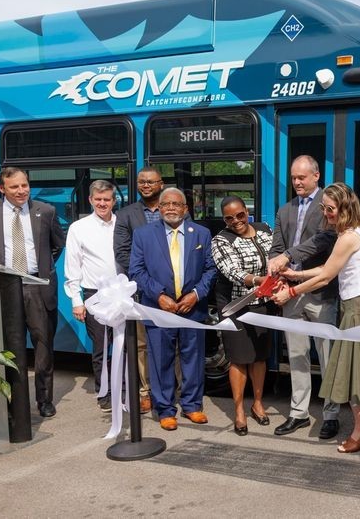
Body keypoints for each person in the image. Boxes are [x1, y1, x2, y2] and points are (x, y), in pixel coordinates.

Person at [272, 183, 360, 453]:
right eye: (323, 207)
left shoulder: (347, 237)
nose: (325, 213)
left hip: (356, 308)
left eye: (330, 209)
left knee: (354, 373)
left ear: (345, 208)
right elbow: (327, 267)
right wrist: (296, 274)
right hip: (359, 305)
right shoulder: (352, 232)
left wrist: (290, 292)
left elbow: (326, 276)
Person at [0, 167, 66, 418]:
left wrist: (40, 269)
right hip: (5, 285)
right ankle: (13, 400)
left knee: (44, 345)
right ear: (2, 189)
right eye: (15, 187)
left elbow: (57, 245)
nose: (22, 191)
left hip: (37, 285)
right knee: (10, 346)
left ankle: (44, 400)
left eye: (25, 185)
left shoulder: (46, 211)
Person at [128, 187, 217, 431]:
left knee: (193, 359)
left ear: (185, 209)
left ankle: (192, 406)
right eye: (165, 204)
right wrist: (158, 296)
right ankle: (165, 410)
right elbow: (136, 270)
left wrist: (196, 294)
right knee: (161, 360)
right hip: (159, 309)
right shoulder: (143, 235)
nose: (170, 208)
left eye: (176, 204)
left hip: (193, 308)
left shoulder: (201, 233)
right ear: (160, 208)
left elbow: (210, 269)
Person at [266, 155, 341, 439]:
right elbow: (277, 245)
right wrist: (276, 265)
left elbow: (323, 240)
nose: (297, 182)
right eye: (294, 177)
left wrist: (288, 256)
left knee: (326, 355)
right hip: (290, 292)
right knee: (296, 354)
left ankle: (331, 414)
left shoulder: (329, 206)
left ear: (316, 176)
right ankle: (298, 412)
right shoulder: (284, 210)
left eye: (302, 177)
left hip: (320, 291)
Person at [211, 196, 275, 436]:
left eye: (239, 215)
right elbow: (232, 271)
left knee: (259, 356)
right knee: (238, 358)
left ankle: (257, 404)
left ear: (246, 211)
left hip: (264, 303)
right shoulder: (220, 240)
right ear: (224, 219)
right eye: (229, 218)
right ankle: (238, 411)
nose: (236, 221)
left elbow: (277, 254)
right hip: (236, 305)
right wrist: (258, 281)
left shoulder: (264, 229)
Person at [63, 180, 118, 412]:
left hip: (122, 295)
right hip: (94, 296)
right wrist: (77, 301)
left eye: (107, 199)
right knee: (101, 347)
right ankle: (104, 393)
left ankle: (123, 388)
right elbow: (72, 266)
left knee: (125, 345)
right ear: (90, 200)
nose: (102, 203)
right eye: (98, 199)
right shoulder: (79, 228)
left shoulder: (123, 224)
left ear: (114, 201)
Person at [113, 166, 164, 414]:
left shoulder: (173, 207)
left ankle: (169, 392)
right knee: (142, 344)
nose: (146, 185)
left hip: (171, 290)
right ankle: (146, 392)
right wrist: (147, 279)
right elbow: (122, 252)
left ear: (161, 184)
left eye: (151, 182)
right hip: (140, 290)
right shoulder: (126, 215)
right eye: (142, 182)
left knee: (170, 343)